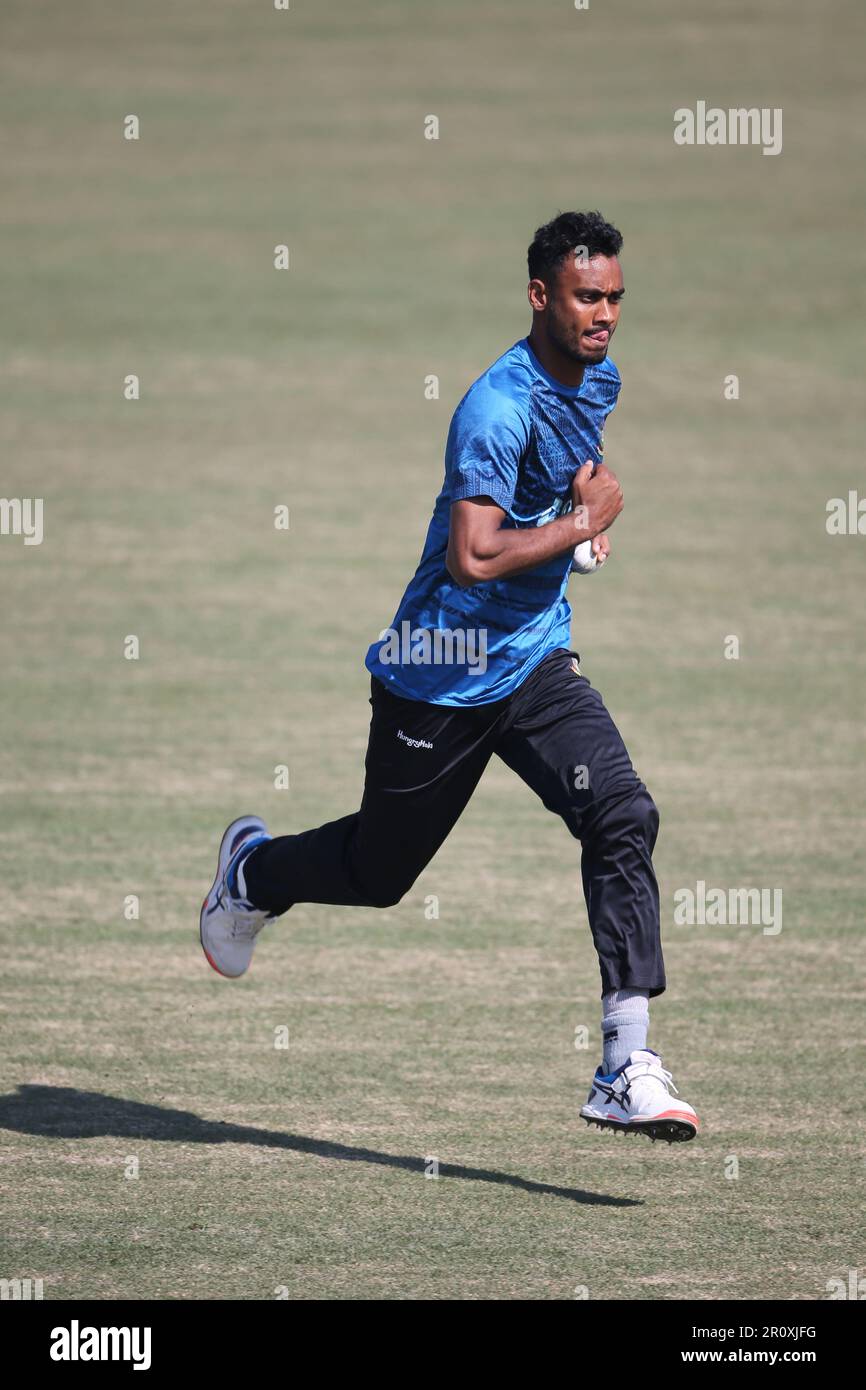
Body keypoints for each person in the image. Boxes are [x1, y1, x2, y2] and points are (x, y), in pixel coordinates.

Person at [200, 210, 699, 1144]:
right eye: (588, 296)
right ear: (540, 294)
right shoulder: (493, 407)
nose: (606, 315)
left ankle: (625, 1061)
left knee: (622, 811)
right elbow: (473, 557)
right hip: (440, 672)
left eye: (617, 297)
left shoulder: (599, 377)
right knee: (379, 873)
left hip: (536, 664)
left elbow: (574, 478)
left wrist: (582, 527)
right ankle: (253, 873)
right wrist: (576, 530)